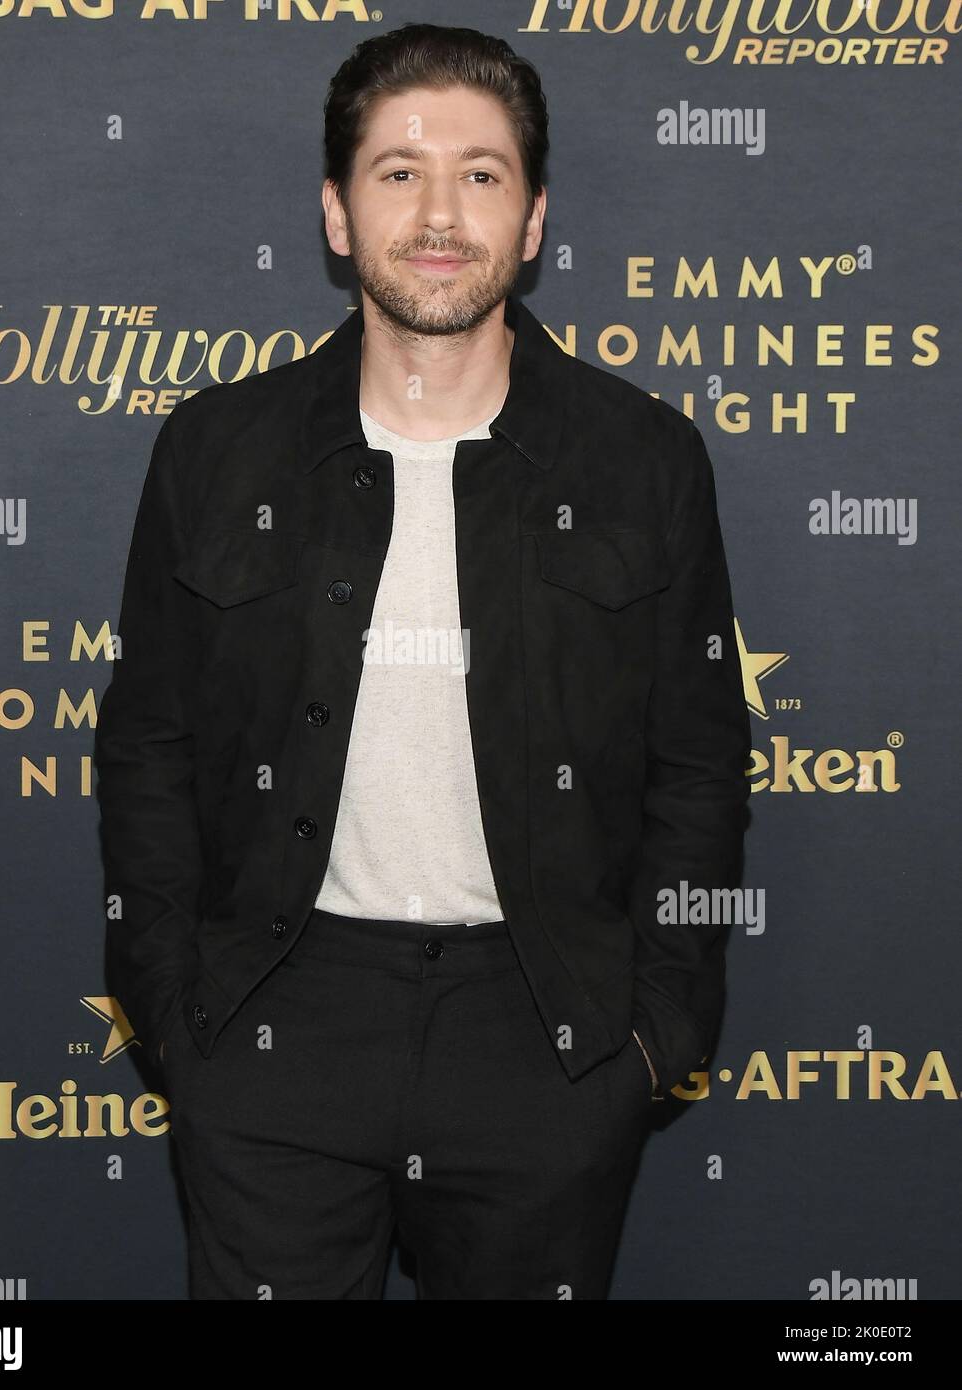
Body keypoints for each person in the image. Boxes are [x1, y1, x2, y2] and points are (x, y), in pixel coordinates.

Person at [94, 22, 752, 1300]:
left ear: (535, 217)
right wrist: (178, 1014)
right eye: (398, 172)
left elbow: (699, 767)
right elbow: (148, 744)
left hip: (545, 1028)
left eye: (481, 173)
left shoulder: (643, 461)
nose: (439, 211)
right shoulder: (215, 450)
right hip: (278, 1018)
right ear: (336, 214)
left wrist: (653, 1030)